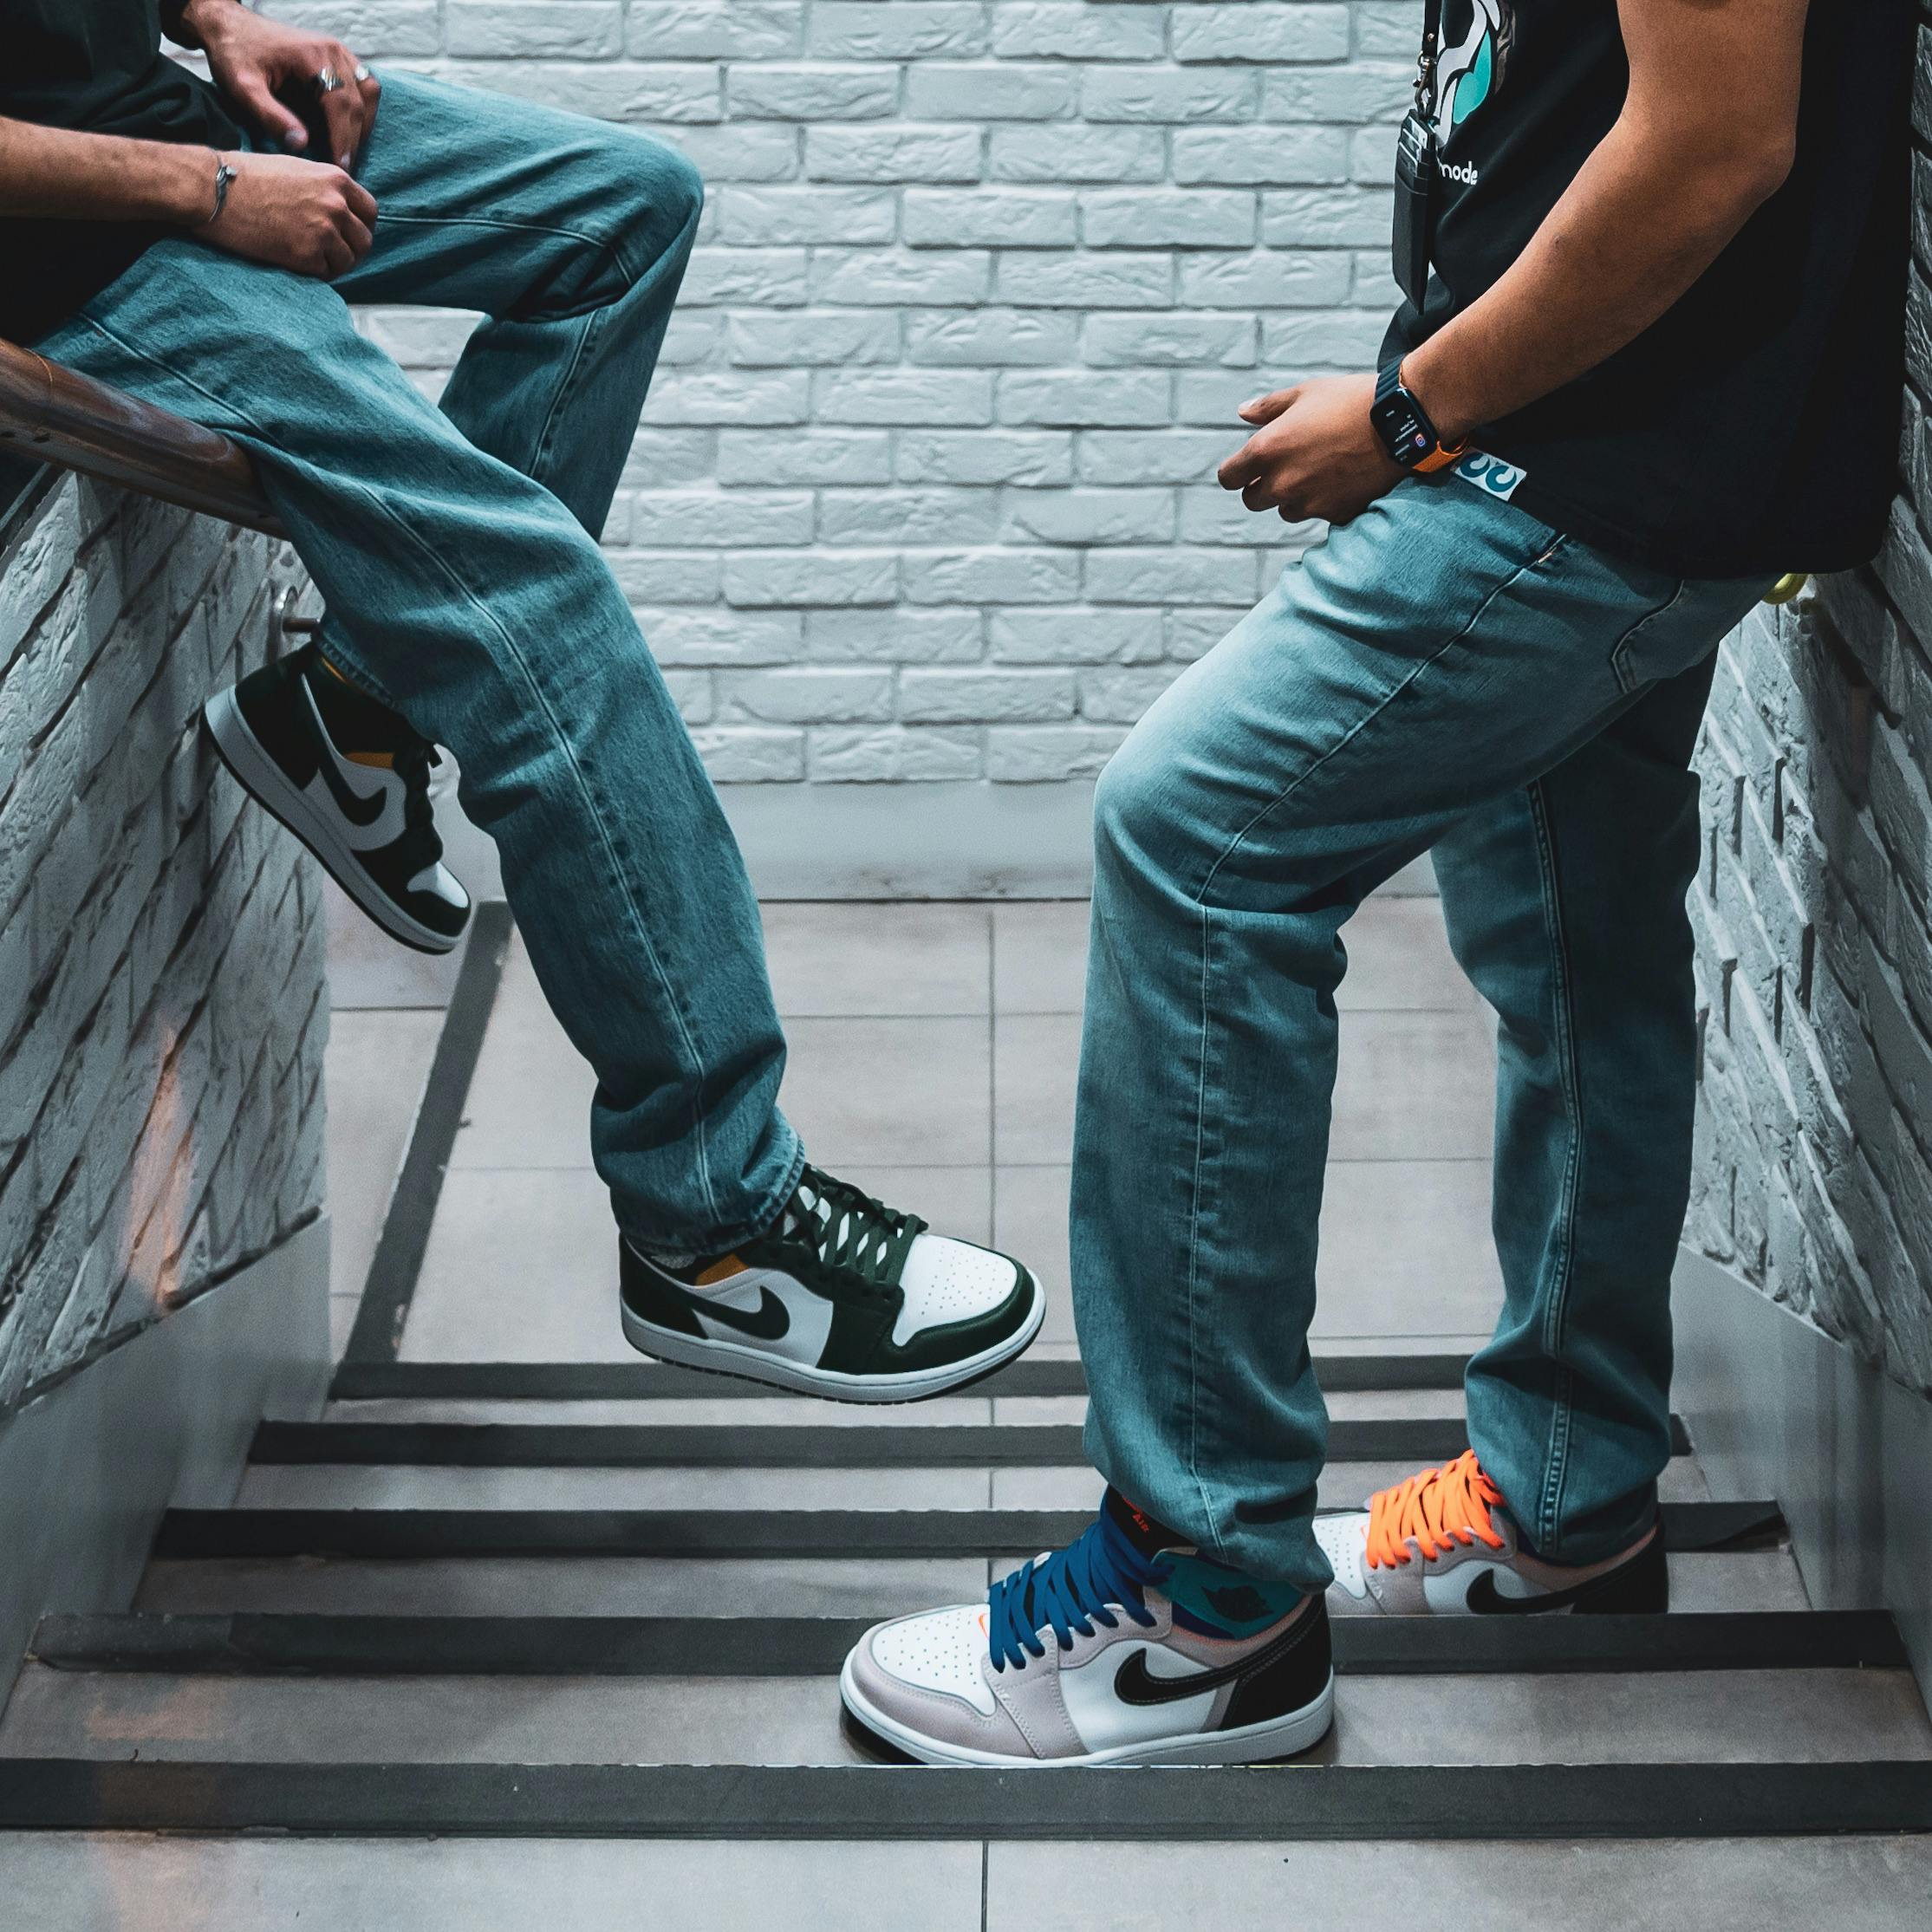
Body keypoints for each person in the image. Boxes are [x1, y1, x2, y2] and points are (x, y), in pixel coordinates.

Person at [842, 0, 1915, 1765]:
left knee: (1195, 837)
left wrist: (1413, 411)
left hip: (1580, 470)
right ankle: (1564, 1505)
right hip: (1604, 438)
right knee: (1570, 939)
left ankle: (1202, 1610)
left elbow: (1714, 142)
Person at [1, 0, 1045, 1401]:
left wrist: (207, 20)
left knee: (623, 210)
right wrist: (217, 191)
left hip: (151, 127)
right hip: (76, 260)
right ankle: (716, 1226)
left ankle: (356, 715)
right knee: (533, 602)